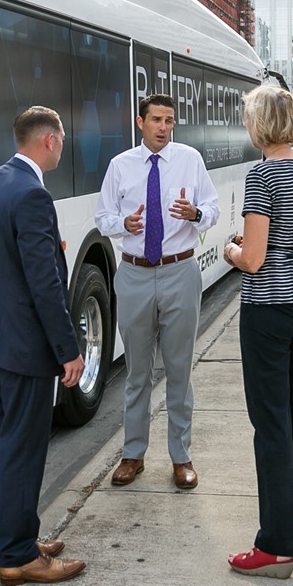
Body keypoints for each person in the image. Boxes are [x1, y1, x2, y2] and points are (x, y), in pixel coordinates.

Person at [0, 106, 89, 585]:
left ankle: (3, 541)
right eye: (62, 139)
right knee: (23, 445)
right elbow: (45, 283)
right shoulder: (33, 195)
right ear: (49, 141)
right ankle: (20, 556)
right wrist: (68, 348)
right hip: (23, 344)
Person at [221, 85, 293, 578]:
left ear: (258, 125)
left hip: (269, 307)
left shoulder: (262, 175)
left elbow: (252, 258)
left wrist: (230, 249)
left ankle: (275, 545)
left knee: (271, 422)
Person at [96, 94, 218, 492]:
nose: (164, 127)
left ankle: (181, 457)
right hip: (133, 275)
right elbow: (102, 217)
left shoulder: (190, 160)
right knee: (136, 372)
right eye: (156, 120)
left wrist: (196, 215)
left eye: (169, 120)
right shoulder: (120, 166)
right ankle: (133, 454)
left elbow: (212, 208)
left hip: (179, 271)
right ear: (140, 122)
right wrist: (123, 224)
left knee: (180, 369)